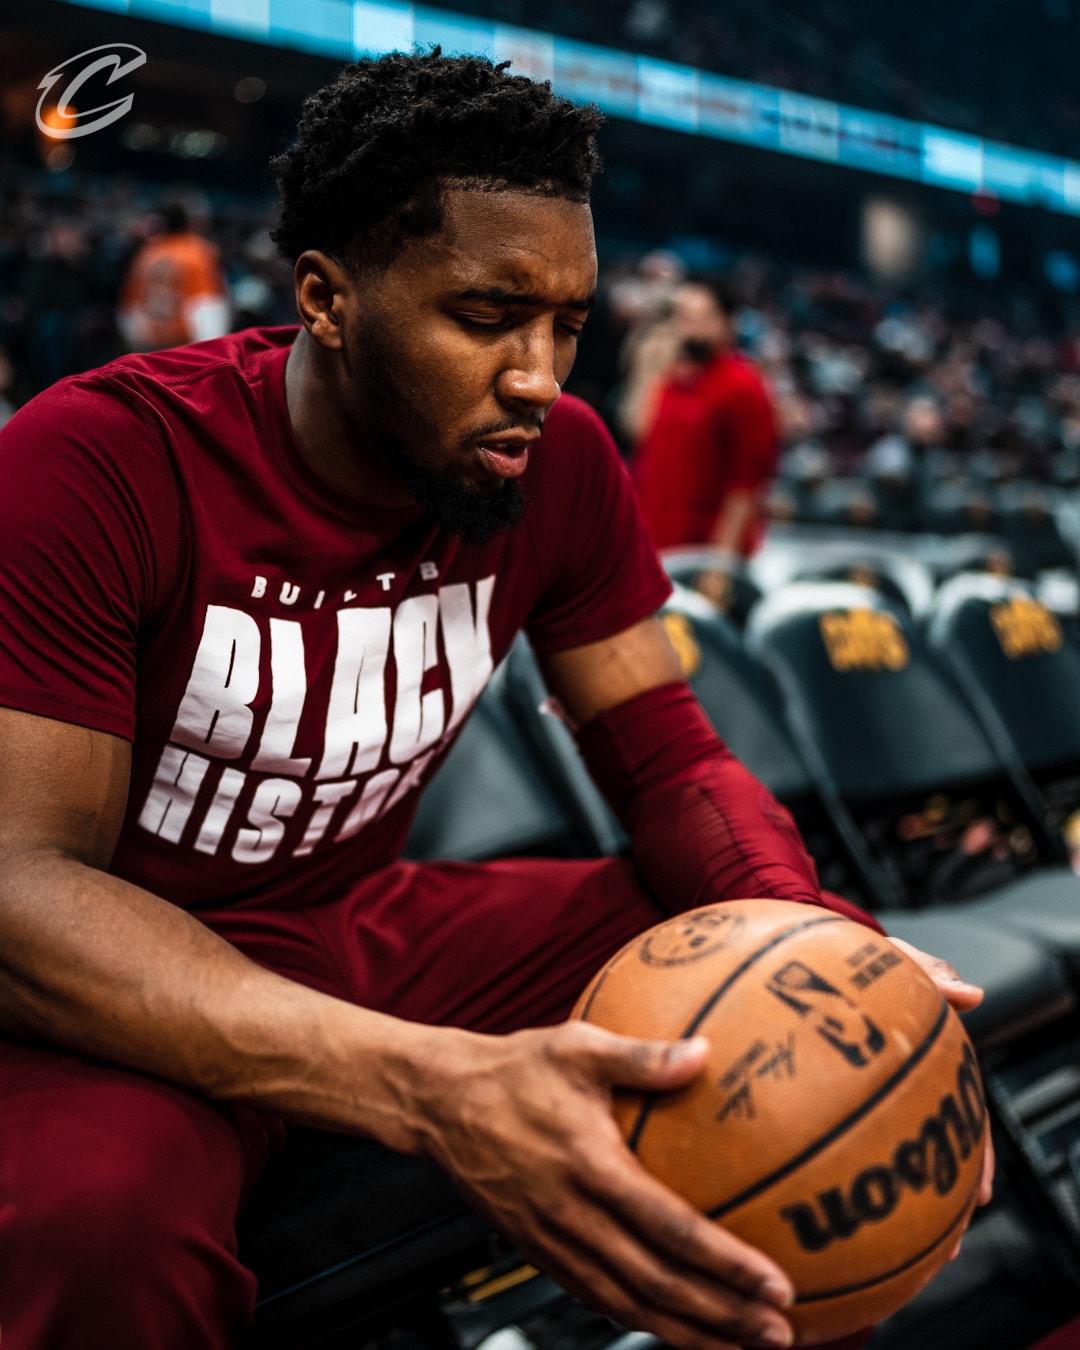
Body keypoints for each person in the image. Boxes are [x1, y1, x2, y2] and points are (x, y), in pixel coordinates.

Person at [0, 52, 989, 1350]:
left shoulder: (558, 459)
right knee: (96, 1223)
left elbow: (669, 759)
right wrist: (428, 1083)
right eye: (486, 316)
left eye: (568, 323)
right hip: (116, 968)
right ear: (327, 298)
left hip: (345, 926)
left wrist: (819, 956)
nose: (539, 374)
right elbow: (22, 888)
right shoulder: (99, 458)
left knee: (774, 995)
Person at [632, 275, 780, 570]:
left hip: (702, 555)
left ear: (726, 322)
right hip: (657, 544)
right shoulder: (672, 381)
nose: (689, 327)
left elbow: (748, 480)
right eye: (683, 317)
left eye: (700, 318)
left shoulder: (743, 385)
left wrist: (719, 560)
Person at [116, 196, 231, 351]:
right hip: (183, 345)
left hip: (147, 344)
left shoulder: (147, 253)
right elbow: (207, 306)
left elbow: (129, 309)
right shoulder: (198, 251)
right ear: (188, 220)